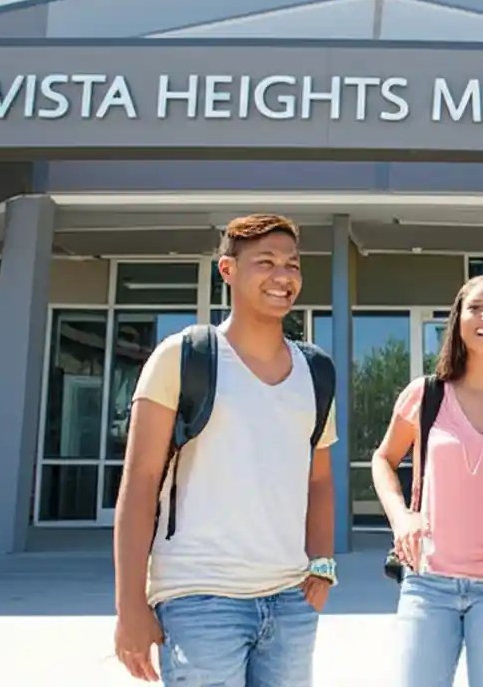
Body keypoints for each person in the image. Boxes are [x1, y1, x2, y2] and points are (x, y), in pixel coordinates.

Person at [112, 214, 338, 687]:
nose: (283, 277)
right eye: (267, 262)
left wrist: (321, 563)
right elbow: (139, 487)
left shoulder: (314, 372)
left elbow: (318, 479)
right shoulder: (183, 357)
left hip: (289, 602)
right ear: (228, 270)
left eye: (292, 265)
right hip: (199, 602)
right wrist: (130, 606)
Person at [370, 275, 483, 687]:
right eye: (475, 307)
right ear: (458, 320)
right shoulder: (427, 395)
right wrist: (402, 518)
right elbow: (383, 460)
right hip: (428, 585)